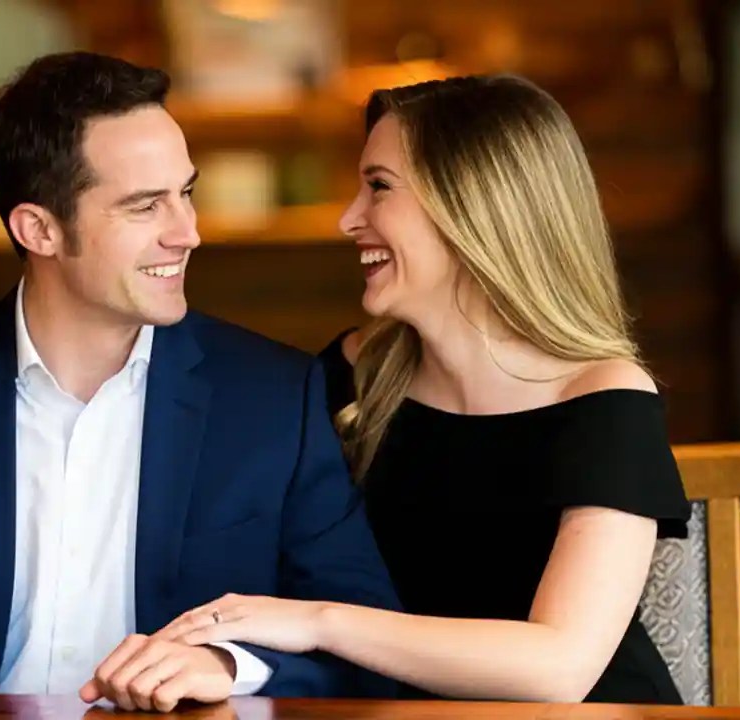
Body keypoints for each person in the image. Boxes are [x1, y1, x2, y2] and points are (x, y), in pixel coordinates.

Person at [0, 52, 399, 718]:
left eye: (187, 193)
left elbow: (365, 632)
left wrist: (225, 665)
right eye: (145, 206)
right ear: (38, 229)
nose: (189, 233)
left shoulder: (273, 395)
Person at [154, 74, 693, 704]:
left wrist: (319, 622)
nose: (349, 218)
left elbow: (560, 667)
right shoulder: (347, 378)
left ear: (473, 203)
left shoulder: (603, 396)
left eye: (378, 187)